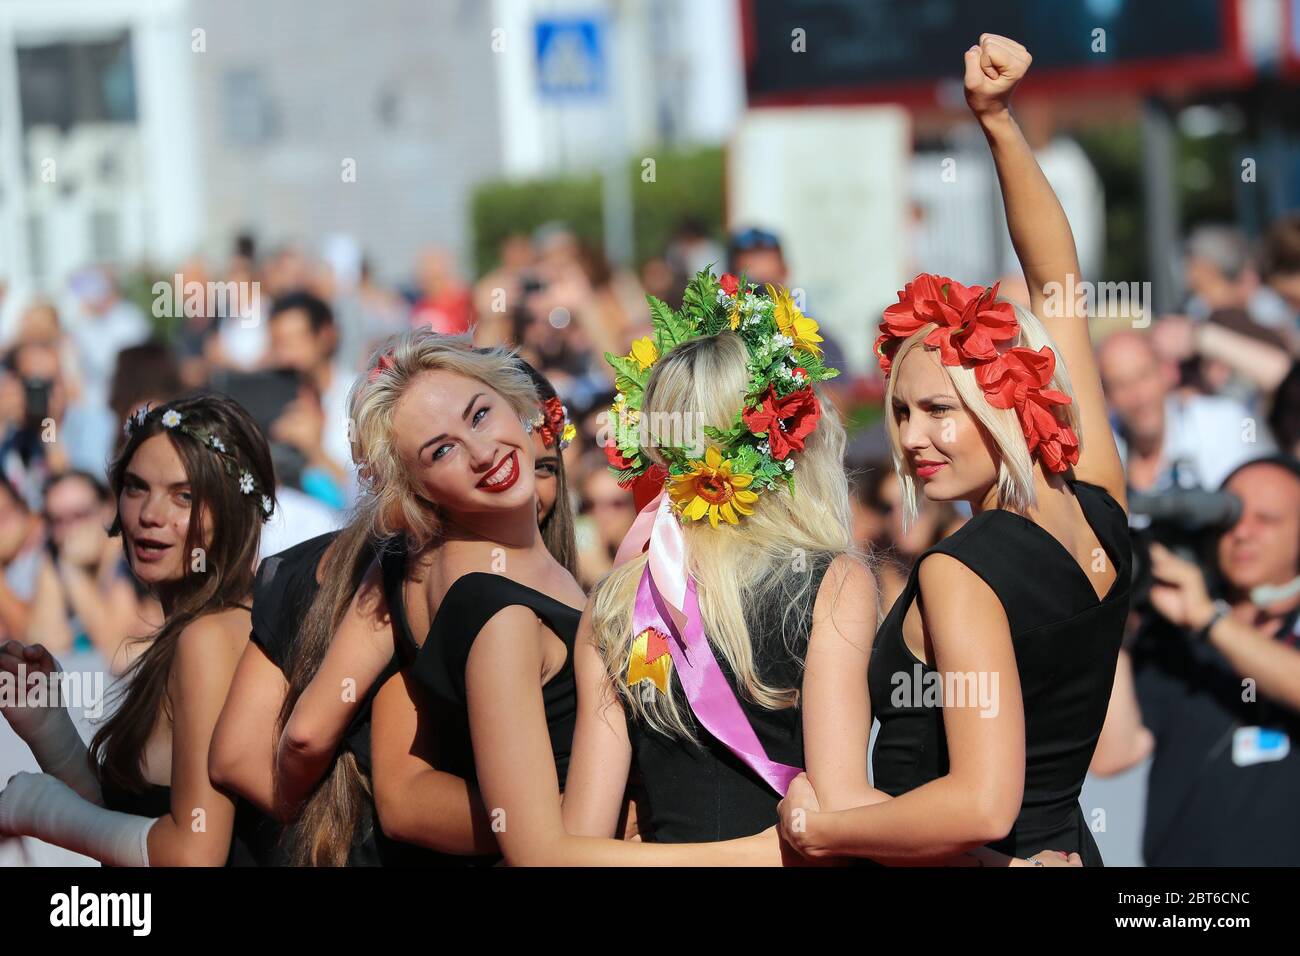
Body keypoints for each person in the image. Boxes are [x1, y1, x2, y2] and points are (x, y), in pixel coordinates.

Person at [777, 33, 1126, 866]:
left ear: (1003, 400)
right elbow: (1058, 284)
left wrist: (824, 828)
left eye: (939, 409)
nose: (912, 438)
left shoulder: (960, 567)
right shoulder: (1098, 500)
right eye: (899, 413)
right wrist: (997, 121)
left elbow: (978, 805)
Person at [209, 354, 579, 865]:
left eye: (479, 415)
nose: (485, 453)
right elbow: (308, 749)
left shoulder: (440, 572)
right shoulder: (430, 582)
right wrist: (327, 829)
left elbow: (302, 738)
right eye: (442, 450)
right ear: (414, 491)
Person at [0, 394, 276, 865]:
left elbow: (192, 855)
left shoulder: (209, 637)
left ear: (234, 508)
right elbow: (133, 832)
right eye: (136, 487)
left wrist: (40, 811)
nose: (150, 514)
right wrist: (49, 728)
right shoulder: (198, 629)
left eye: (184, 495)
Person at [1091, 455, 1300, 865]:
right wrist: (1117, 620)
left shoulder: (1202, 619)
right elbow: (1114, 755)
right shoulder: (1176, 636)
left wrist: (1208, 619)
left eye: (1267, 520)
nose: (1242, 533)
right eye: (1230, 519)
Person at [1098, 329, 1272, 492]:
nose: (1138, 397)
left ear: (1167, 372)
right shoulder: (1102, 451)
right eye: (1121, 385)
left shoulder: (1224, 424)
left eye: (1144, 376)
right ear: (1106, 396)